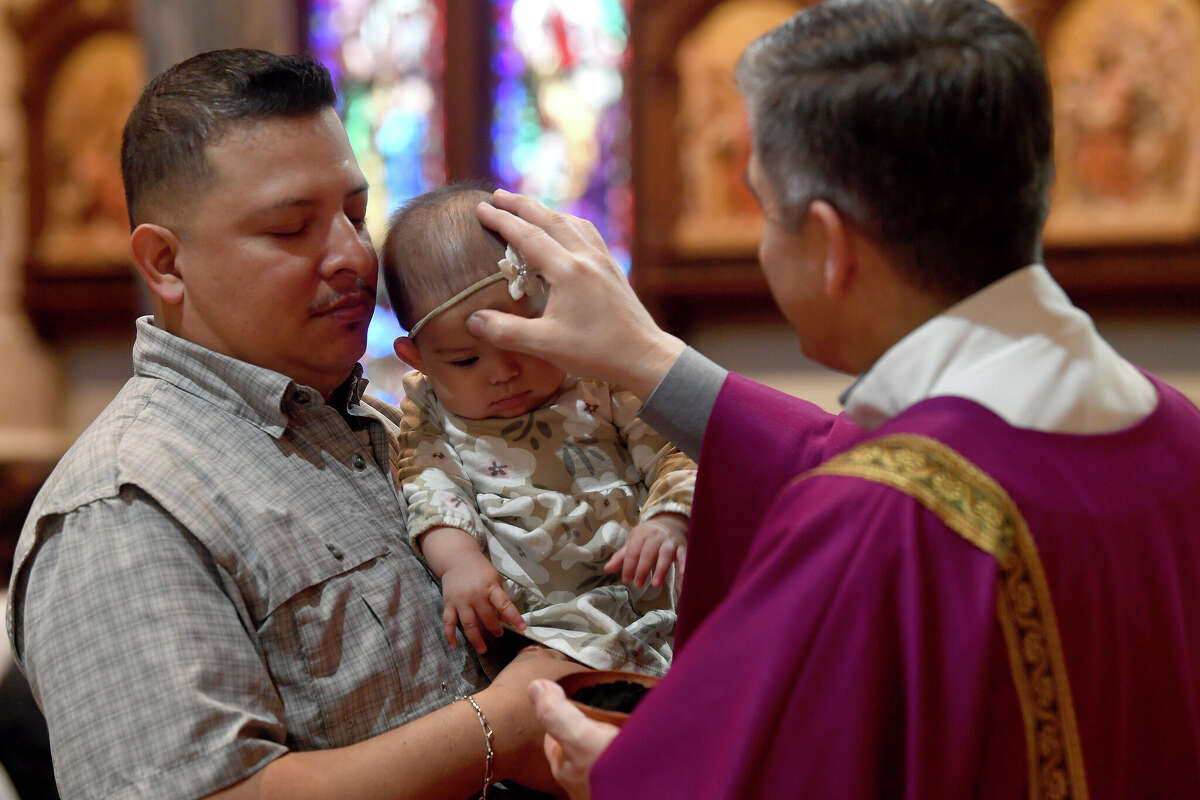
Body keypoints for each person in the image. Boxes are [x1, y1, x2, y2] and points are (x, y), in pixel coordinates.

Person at [463, 1, 1200, 797]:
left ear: (830, 246)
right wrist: (649, 361)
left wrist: (620, 777)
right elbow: (844, 455)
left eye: (766, 211)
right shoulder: (1172, 432)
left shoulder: (884, 515)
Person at [6, 49, 584, 800]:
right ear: (165, 262)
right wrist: (501, 725)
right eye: (290, 229)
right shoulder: (122, 506)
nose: (352, 256)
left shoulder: (384, 422)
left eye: (353, 213)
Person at [382, 185, 695, 676]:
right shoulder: (432, 413)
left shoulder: (595, 374)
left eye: (524, 340)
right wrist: (459, 563)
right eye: (466, 359)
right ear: (417, 357)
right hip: (544, 630)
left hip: (656, 595)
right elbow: (432, 493)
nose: (503, 372)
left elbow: (672, 449)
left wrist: (669, 520)